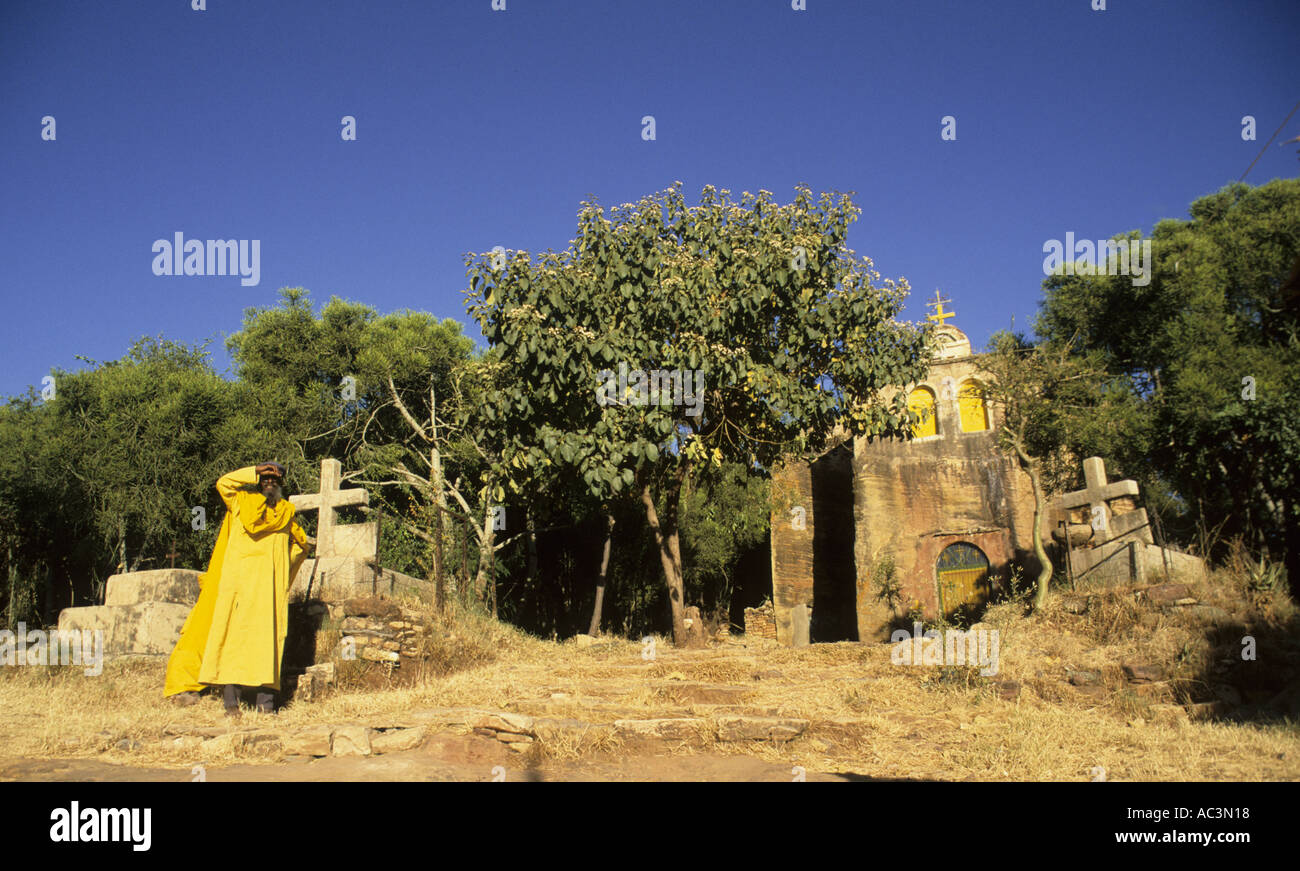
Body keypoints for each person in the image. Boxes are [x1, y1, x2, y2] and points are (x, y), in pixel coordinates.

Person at [163, 462, 311, 715]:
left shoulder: (287, 512)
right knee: (235, 640)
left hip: (266, 589)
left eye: (273, 480)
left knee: (264, 644)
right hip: (240, 587)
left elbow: (300, 545)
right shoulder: (241, 501)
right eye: (264, 479)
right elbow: (224, 483)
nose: (269, 483)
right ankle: (232, 705)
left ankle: (265, 706)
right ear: (257, 483)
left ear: (280, 485)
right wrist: (256, 468)